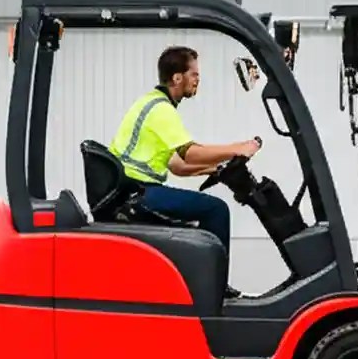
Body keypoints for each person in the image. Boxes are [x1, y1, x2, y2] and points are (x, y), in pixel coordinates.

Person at [109, 45, 261, 262]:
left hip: (133, 191)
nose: (198, 80)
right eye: (194, 74)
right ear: (178, 78)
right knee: (216, 210)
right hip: (137, 194)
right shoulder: (161, 109)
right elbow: (190, 154)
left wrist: (217, 169)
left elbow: (177, 166)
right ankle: (216, 286)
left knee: (205, 210)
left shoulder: (152, 103)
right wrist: (239, 148)